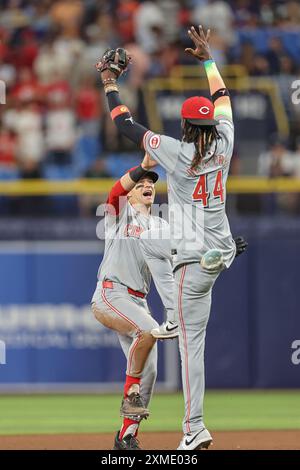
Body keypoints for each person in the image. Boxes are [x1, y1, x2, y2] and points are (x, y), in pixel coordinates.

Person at [96, 26, 247, 450]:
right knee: (187, 309)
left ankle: (193, 428)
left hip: (192, 259)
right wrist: (208, 60)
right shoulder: (227, 142)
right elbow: (223, 99)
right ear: (211, 124)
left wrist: (110, 84)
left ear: (183, 124)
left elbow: (125, 124)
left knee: (188, 346)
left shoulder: (175, 151)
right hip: (219, 245)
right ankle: (218, 259)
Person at [91, 164, 164, 450]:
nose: (147, 185)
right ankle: (130, 392)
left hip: (138, 301)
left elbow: (185, 253)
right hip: (111, 294)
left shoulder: (159, 226)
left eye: (151, 183)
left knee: (151, 370)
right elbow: (114, 192)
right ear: (131, 194)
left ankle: (126, 436)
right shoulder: (119, 215)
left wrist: (221, 250)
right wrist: (142, 167)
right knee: (148, 330)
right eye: (140, 183)